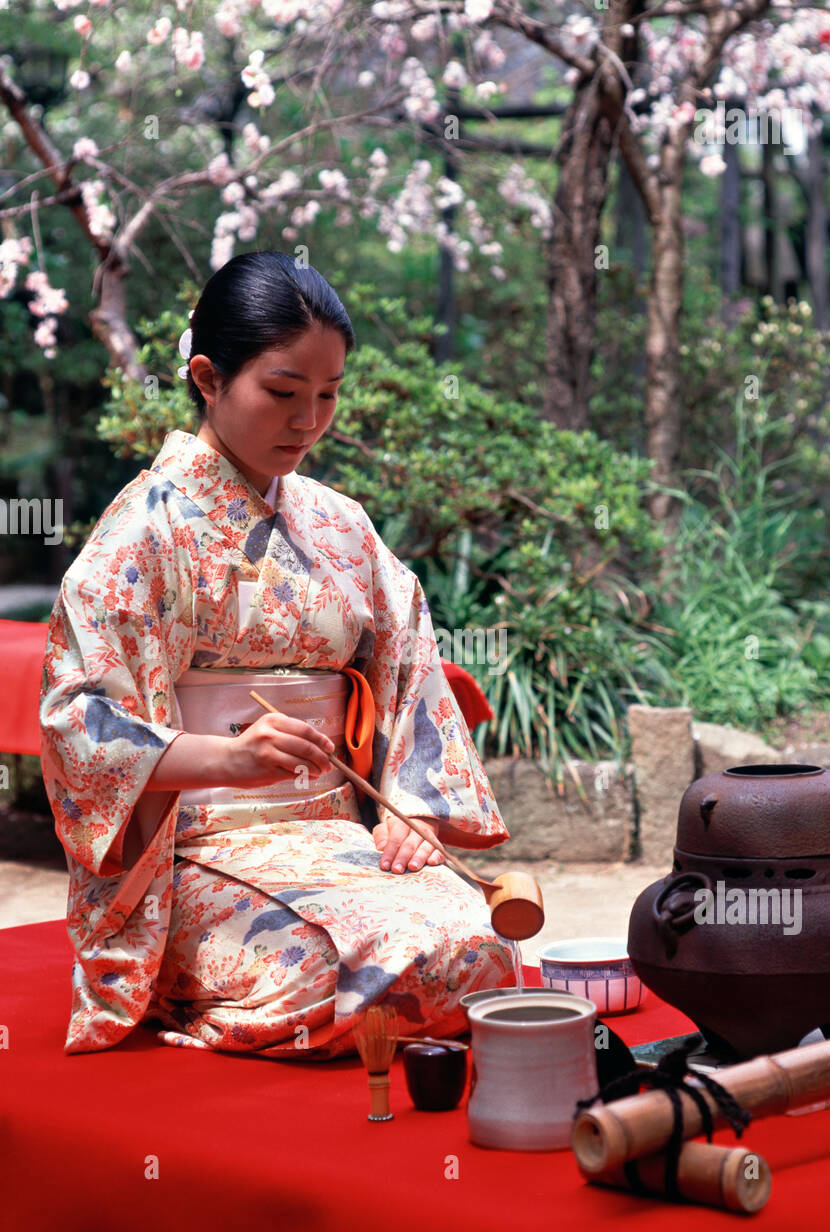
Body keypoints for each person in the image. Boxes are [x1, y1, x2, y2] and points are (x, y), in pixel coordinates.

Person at [39, 250, 515, 1058]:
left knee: (478, 949)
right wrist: (225, 760)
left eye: (327, 396)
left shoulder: (339, 523)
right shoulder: (143, 531)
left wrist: (417, 811)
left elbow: (408, 666)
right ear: (207, 377)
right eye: (283, 393)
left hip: (336, 831)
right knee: (345, 970)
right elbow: (78, 722)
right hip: (194, 850)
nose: (309, 422)